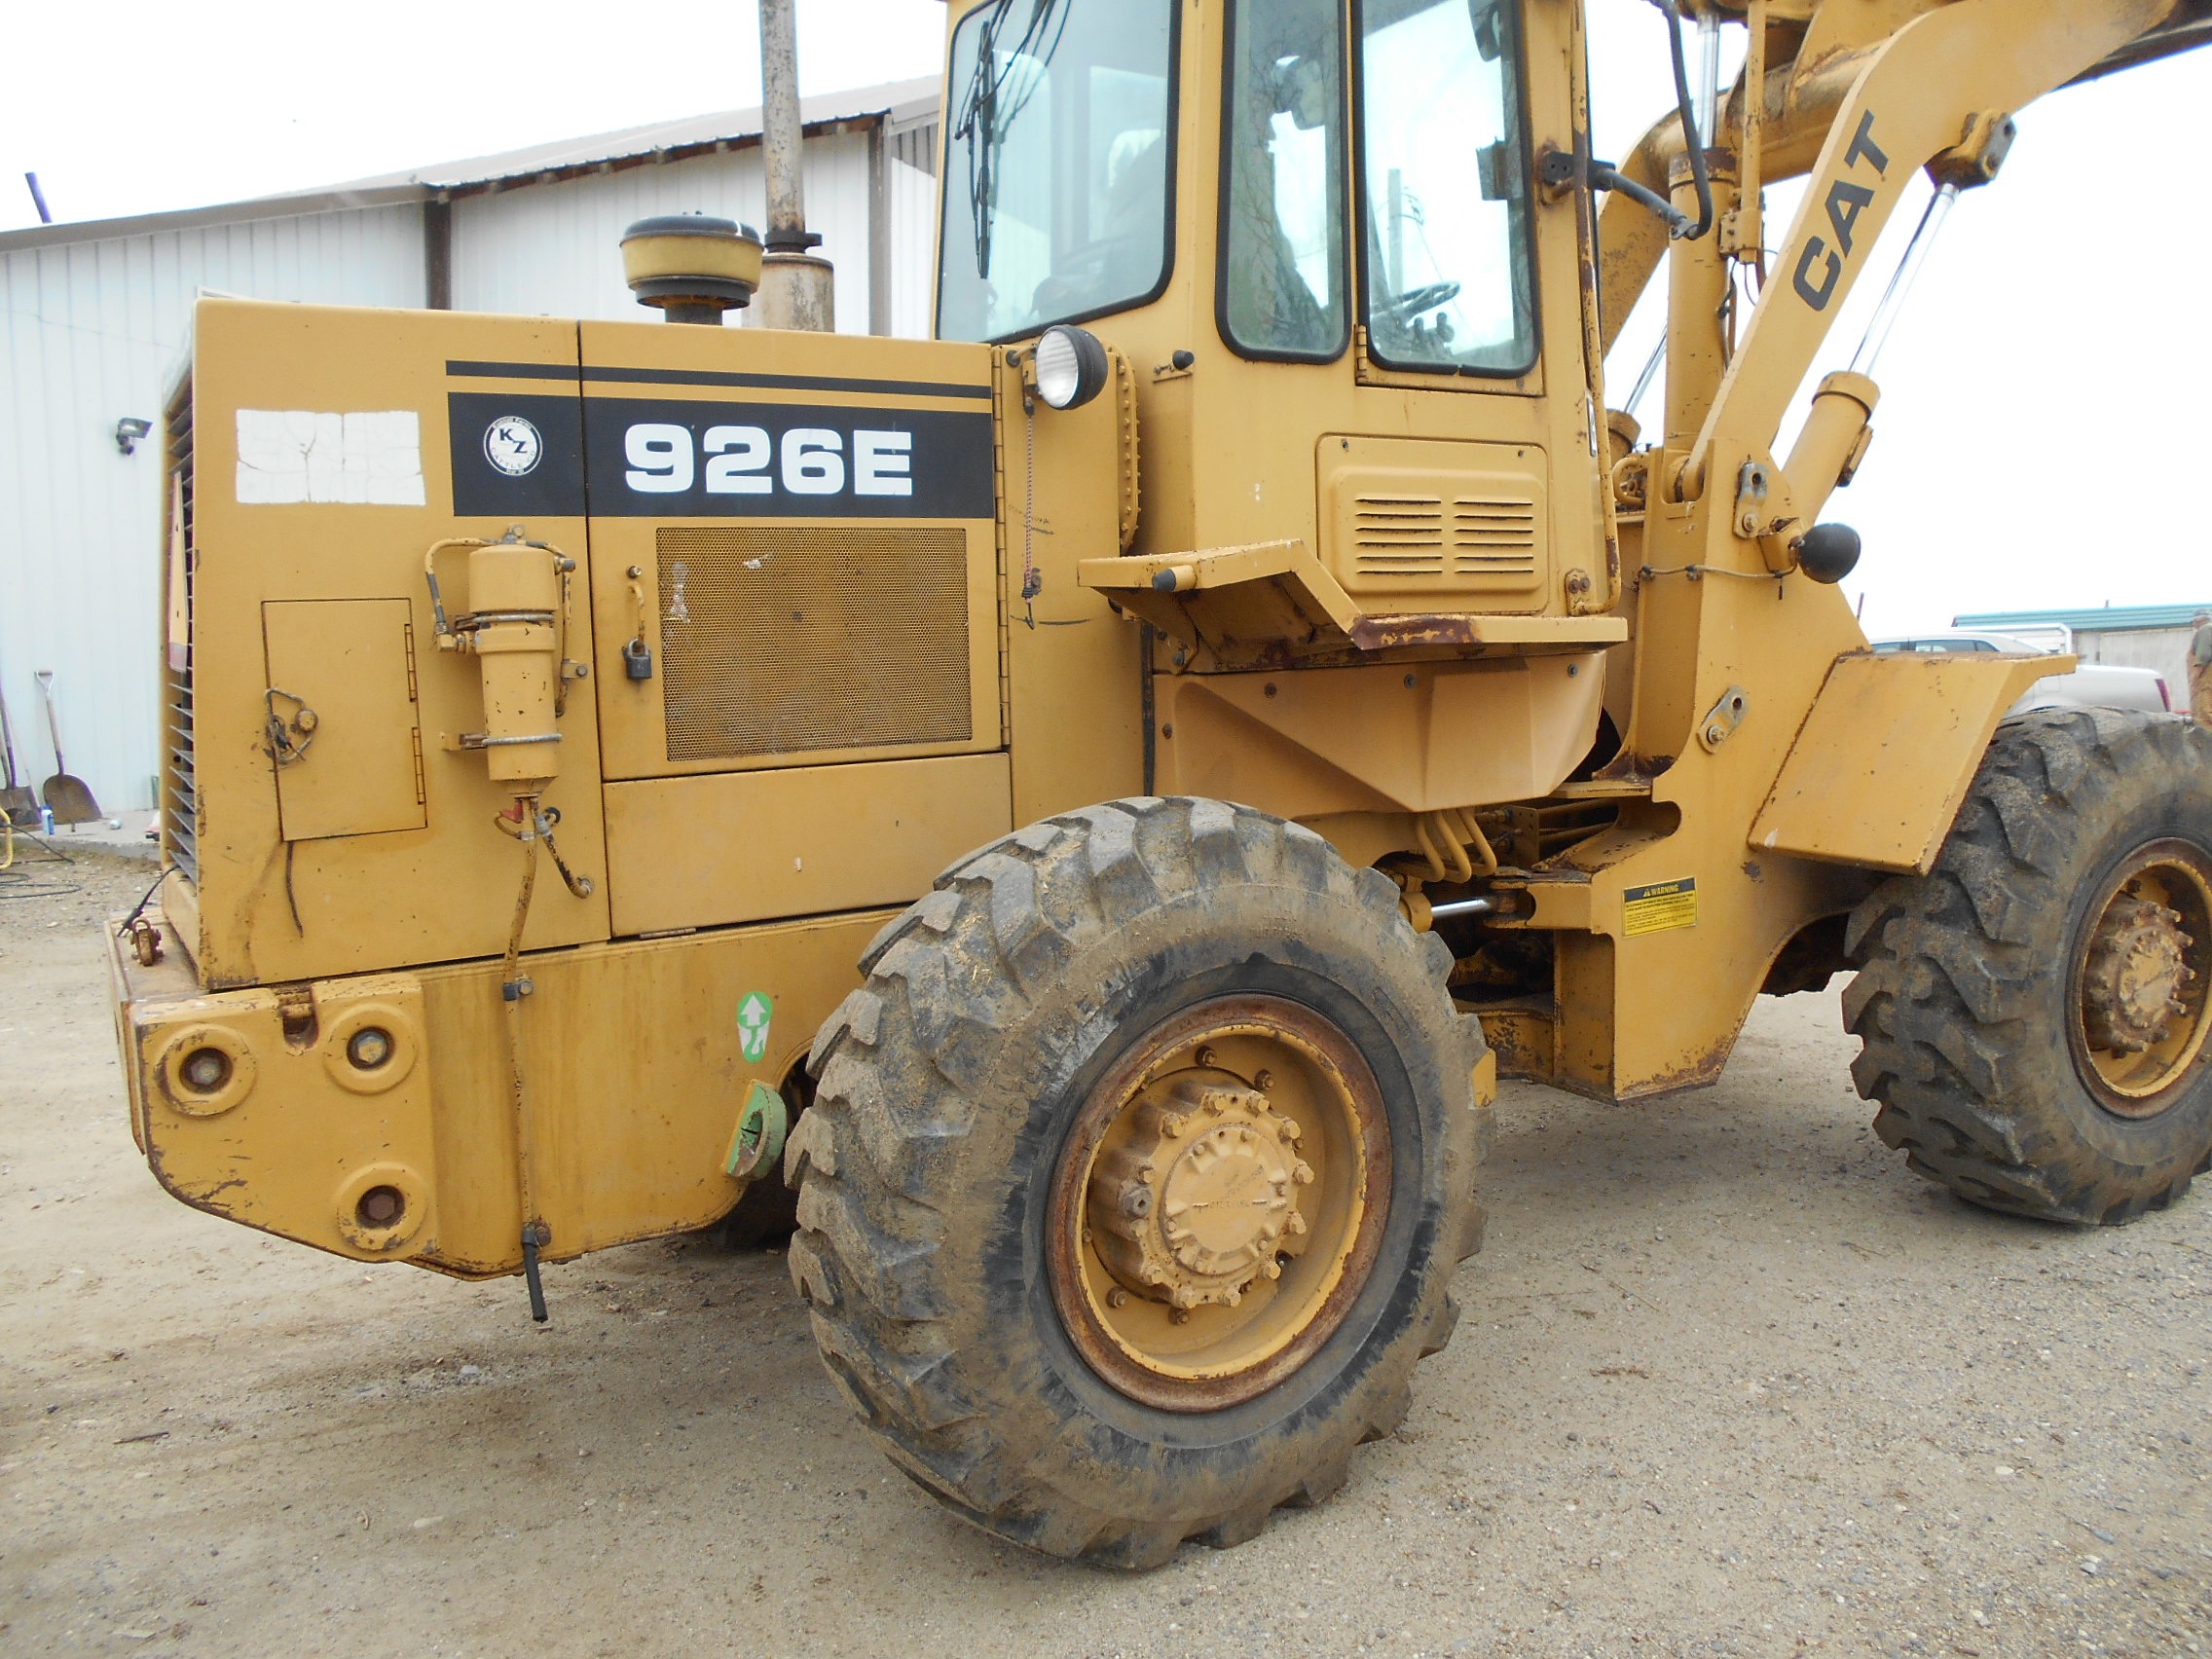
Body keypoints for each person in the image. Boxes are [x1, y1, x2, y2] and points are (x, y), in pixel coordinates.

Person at [2192, 611, 2212, 724]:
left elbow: (2203, 655)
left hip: (2209, 672)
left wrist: (2196, 676)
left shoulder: (2205, 629)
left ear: (2198, 620)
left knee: (2205, 710)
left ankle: (2207, 739)